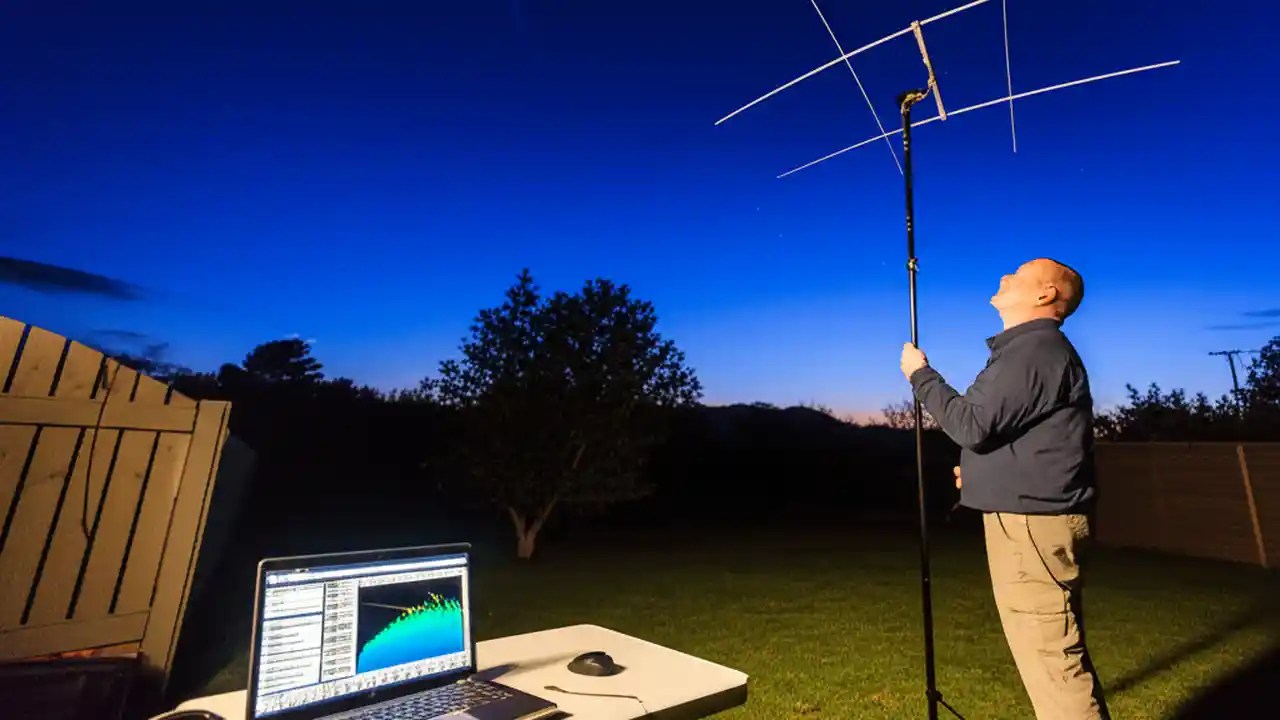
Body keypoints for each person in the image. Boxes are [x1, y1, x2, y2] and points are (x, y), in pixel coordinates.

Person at [899, 258, 1110, 720]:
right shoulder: (1033, 350)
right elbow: (1021, 438)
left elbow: (971, 423)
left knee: (1055, 667)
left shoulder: (1035, 350)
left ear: (1046, 294)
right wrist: (980, 475)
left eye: (1018, 274)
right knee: (1054, 659)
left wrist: (920, 374)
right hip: (1032, 525)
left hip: (1033, 530)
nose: (1004, 277)